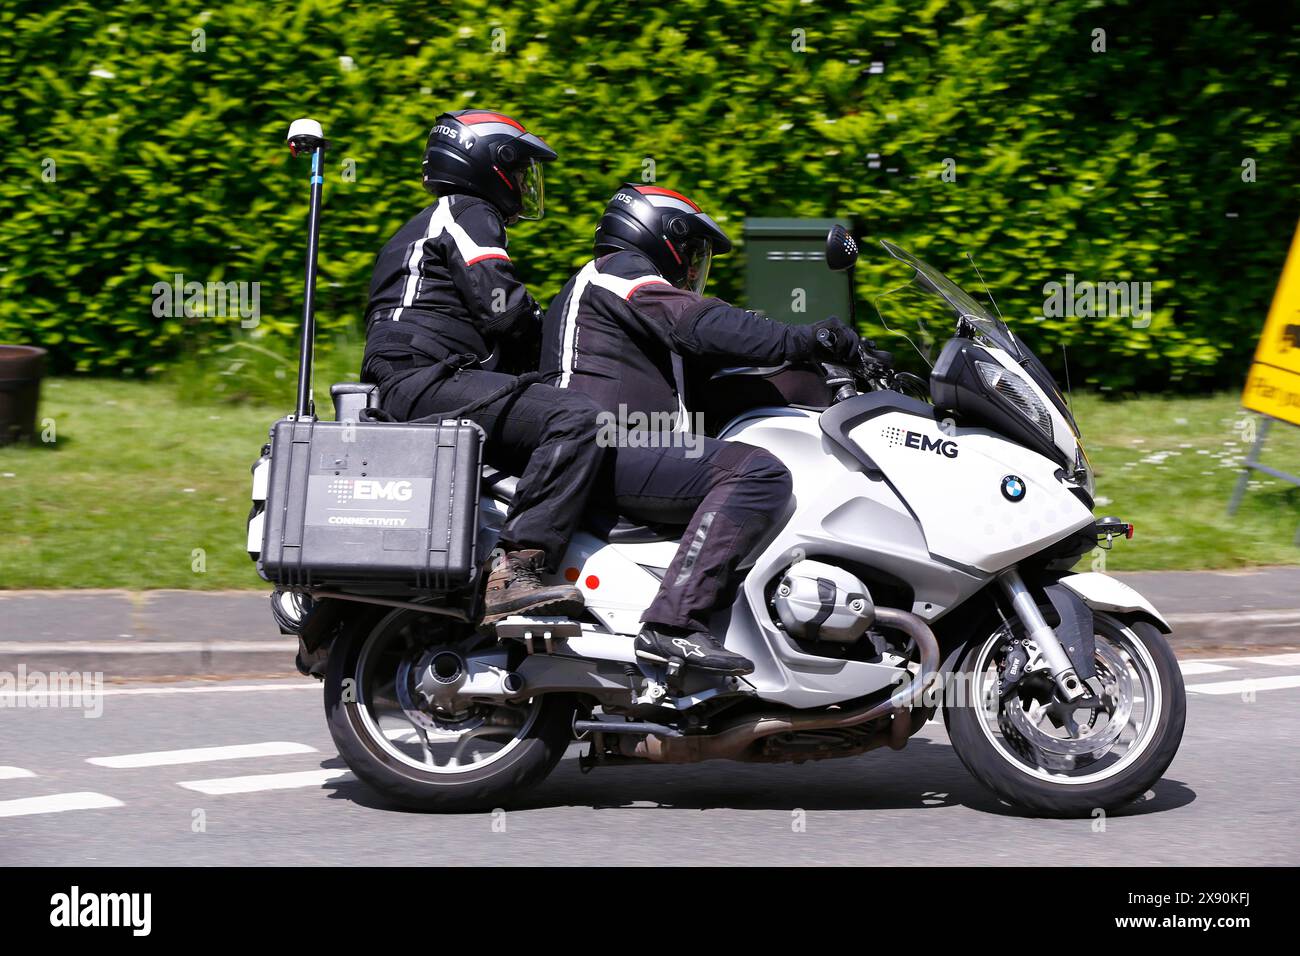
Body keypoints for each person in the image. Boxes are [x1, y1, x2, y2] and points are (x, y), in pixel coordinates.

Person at [541, 184, 861, 674]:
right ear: (659, 236)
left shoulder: (633, 304)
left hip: (623, 445)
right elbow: (703, 324)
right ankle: (671, 626)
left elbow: (728, 362)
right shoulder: (619, 275)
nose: (693, 270)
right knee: (757, 475)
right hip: (606, 446)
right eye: (691, 253)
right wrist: (807, 337)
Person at [361, 110, 604, 622]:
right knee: (575, 418)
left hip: (416, 376)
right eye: (518, 172)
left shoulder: (430, 222)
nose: (522, 185)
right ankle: (516, 571)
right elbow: (501, 305)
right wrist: (556, 335)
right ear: (488, 164)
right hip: (423, 378)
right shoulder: (467, 210)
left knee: (539, 414)